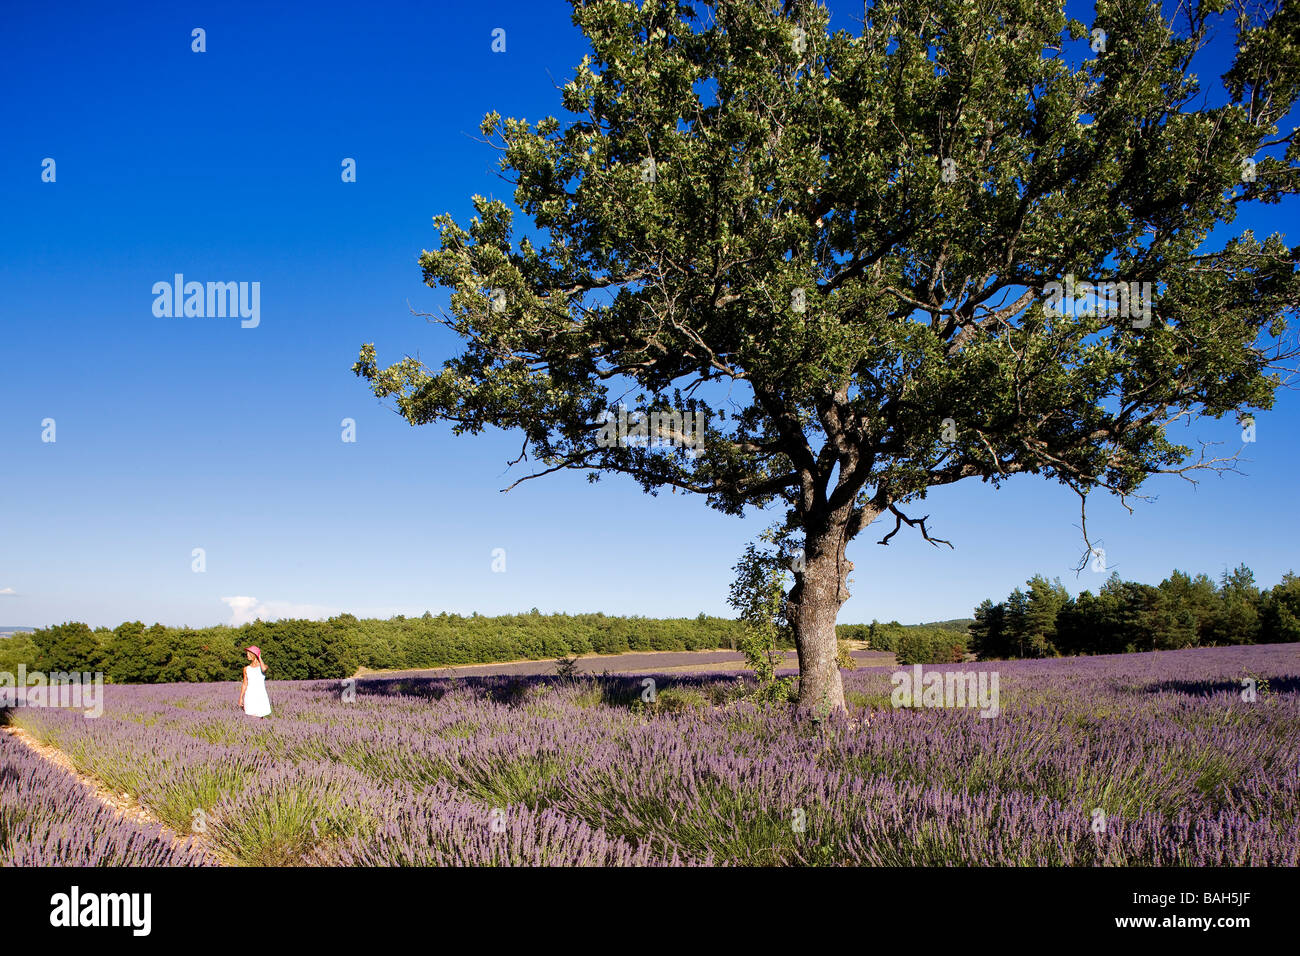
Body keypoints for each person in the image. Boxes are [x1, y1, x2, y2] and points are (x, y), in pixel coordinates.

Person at [238, 646, 271, 718]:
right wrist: (241, 697)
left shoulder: (263, 667)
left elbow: (264, 669)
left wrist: (259, 657)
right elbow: (244, 684)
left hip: (260, 695)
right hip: (250, 695)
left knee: (261, 716)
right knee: (252, 717)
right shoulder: (246, 669)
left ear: (254, 655)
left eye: (249, 654)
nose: (247, 655)